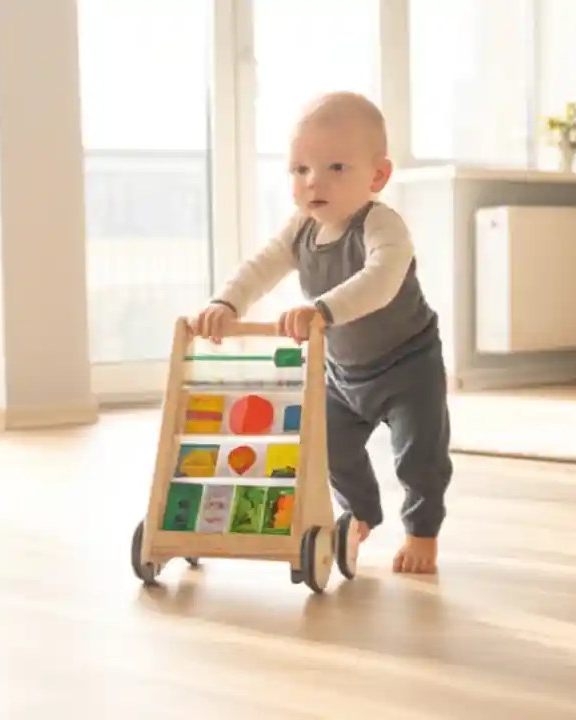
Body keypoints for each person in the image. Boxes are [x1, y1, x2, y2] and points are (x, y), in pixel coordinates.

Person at [192, 91, 452, 574]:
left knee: (419, 454)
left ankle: (422, 532)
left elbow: (380, 280)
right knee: (328, 445)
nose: (314, 182)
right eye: (300, 169)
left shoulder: (382, 225)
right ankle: (360, 515)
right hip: (344, 372)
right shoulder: (300, 230)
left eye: (335, 167)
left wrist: (321, 310)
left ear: (377, 176)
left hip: (407, 364)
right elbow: (261, 267)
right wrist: (227, 301)